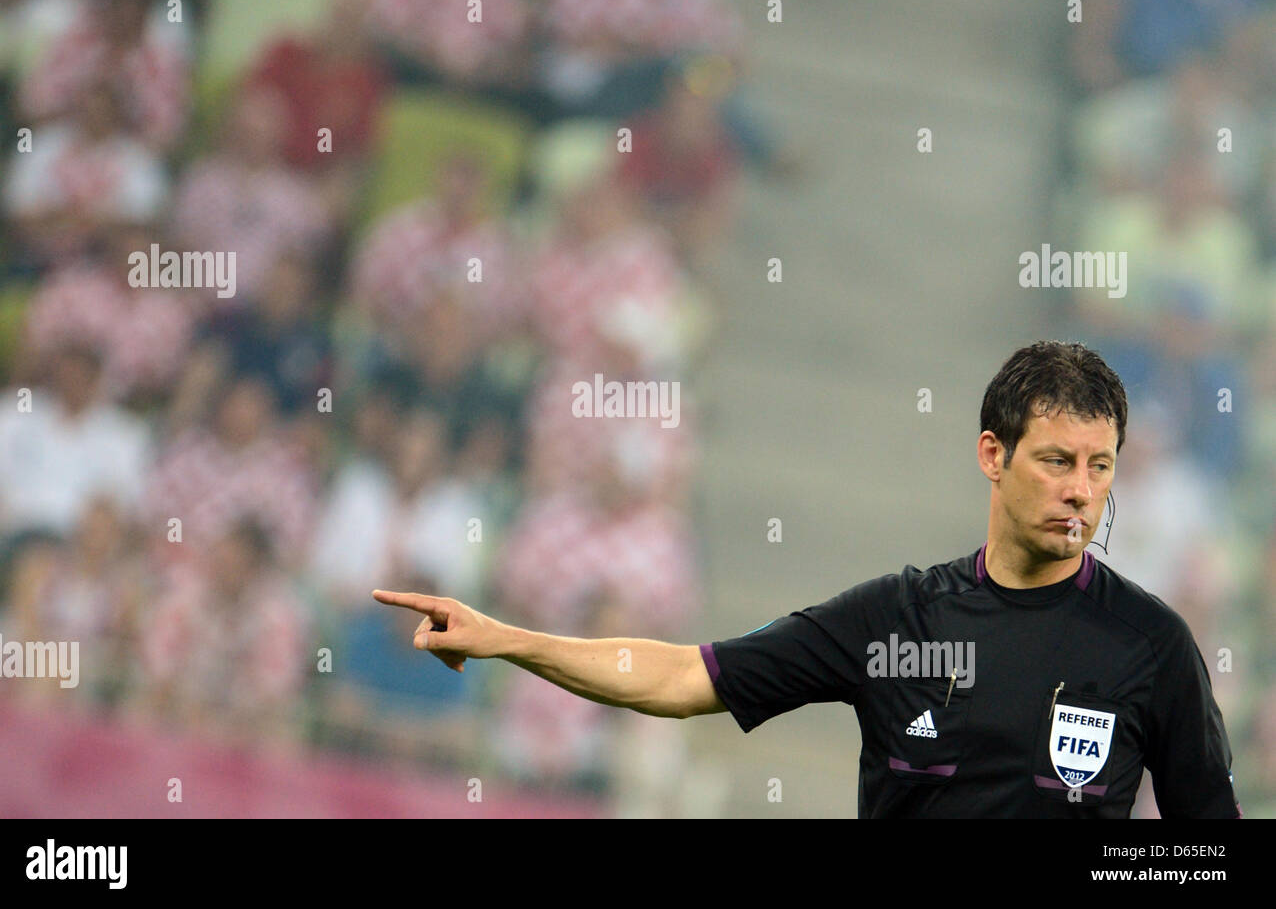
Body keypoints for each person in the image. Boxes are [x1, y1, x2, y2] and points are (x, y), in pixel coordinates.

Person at [373, 340, 1241, 818]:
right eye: (1057, 460)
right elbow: (682, 678)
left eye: (1100, 466)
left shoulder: (1150, 645)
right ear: (992, 455)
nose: (1081, 489)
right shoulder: (895, 622)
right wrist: (505, 639)